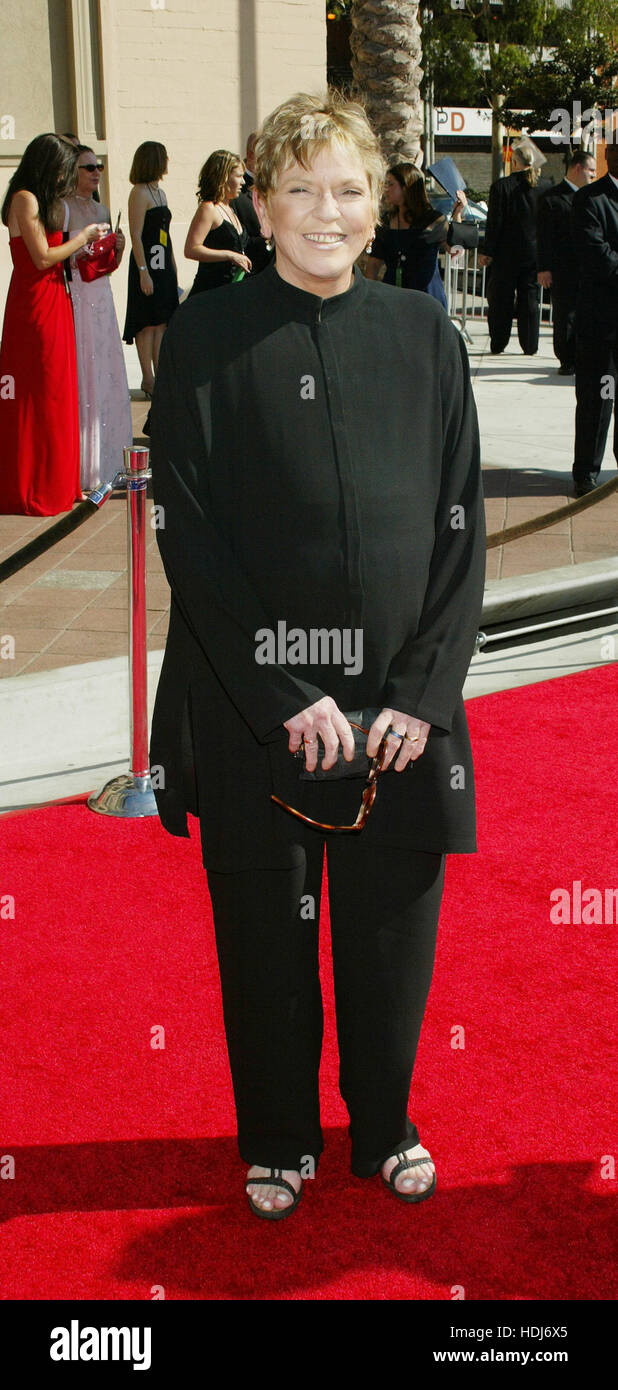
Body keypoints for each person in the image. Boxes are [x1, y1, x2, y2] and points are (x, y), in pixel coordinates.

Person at [149, 89, 485, 1219]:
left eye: (347, 190)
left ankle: (384, 1125)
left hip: (399, 710)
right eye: (300, 191)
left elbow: (460, 529)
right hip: (255, 712)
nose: (326, 213)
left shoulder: (423, 333)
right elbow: (188, 534)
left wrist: (422, 697)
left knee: (392, 929)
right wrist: (282, 692)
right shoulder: (206, 336)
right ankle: (280, 1135)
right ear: (259, 201)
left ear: (377, 199)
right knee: (265, 924)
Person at [0, 133, 105, 516]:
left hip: (56, 298)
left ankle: (61, 482)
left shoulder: (46, 201)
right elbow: (42, 257)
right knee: (36, 391)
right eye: (64, 165)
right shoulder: (24, 198)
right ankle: (33, 485)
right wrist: (81, 238)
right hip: (34, 303)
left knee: (60, 391)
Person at [66, 147, 133, 491]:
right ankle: (84, 467)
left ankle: (109, 461)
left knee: (108, 374)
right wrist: (85, 241)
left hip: (102, 294)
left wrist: (117, 247)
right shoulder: (63, 208)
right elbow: (66, 259)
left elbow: (106, 264)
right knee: (86, 375)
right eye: (89, 167)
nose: (96, 173)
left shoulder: (101, 208)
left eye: (99, 166)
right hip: (78, 296)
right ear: (72, 170)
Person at [571, 138, 618, 496]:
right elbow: (597, 256)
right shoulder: (590, 200)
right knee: (596, 400)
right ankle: (586, 471)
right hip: (602, 323)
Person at [480, 143, 551, 355]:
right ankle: (530, 345)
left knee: (501, 299)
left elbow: (495, 223)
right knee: (529, 298)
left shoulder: (502, 187)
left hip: (505, 253)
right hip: (534, 253)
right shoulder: (545, 187)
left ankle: (498, 342)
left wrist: (487, 251)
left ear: (515, 162)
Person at [363, 163, 466, 305]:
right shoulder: (385, 222)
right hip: (394, 296)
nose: (386, 189)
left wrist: (457, 214)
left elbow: (455, 250)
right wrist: (368, 297)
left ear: (406, 187)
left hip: (427, 298)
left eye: (391, 184)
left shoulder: (433, 220)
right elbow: (373, 265)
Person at [123, 142, 178, 397]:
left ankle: (160, 371)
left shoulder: (161, 193)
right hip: (146, 265)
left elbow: (165, 235)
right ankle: (148, 376)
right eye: (163, 156)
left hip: (163, 263)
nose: (168, 159)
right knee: (146, 322)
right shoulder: (139, 193)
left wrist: (173, 265)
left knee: (161, 321)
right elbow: (135, 234)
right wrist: (143, 270)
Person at [536, 149, 596, 374]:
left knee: (585, 315)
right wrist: (543, 268)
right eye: (590, 171)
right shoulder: (551, 198)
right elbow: (543, 237)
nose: (593, 175)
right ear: (578, 168)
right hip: (562, 268)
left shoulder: (590, 197)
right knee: (564, 315)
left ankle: (582, 356)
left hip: (587, 268)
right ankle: (566, 359)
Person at [185, 151, 251, 296]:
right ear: (224, 177)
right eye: (239, 176)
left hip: (231, 292)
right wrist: (229, 255)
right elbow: (191, 249)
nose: (243, 182)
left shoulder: (230, 208)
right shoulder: (208, 208)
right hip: (210, 293)